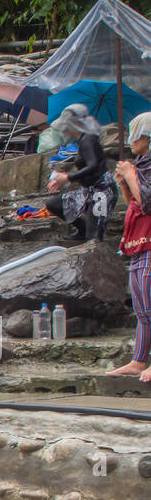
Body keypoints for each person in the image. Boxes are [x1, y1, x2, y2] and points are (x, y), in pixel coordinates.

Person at [106, 112, 151, 380]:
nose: (131, 141)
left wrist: (131, 174)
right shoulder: (142, 165)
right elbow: (135, 205)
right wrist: (125, 184)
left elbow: (148, 202)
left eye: (135, 134)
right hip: (137, 242)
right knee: (142, 309)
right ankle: (138, 360)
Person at [44, 104, 116, 242]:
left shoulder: (88, 139)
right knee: (55, 204)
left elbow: (93, 165)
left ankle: (92, 242)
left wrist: (68, 177)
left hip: (102, 193)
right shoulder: (83, 140)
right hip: (88, 192)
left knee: (94, 237)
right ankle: (82, 230)